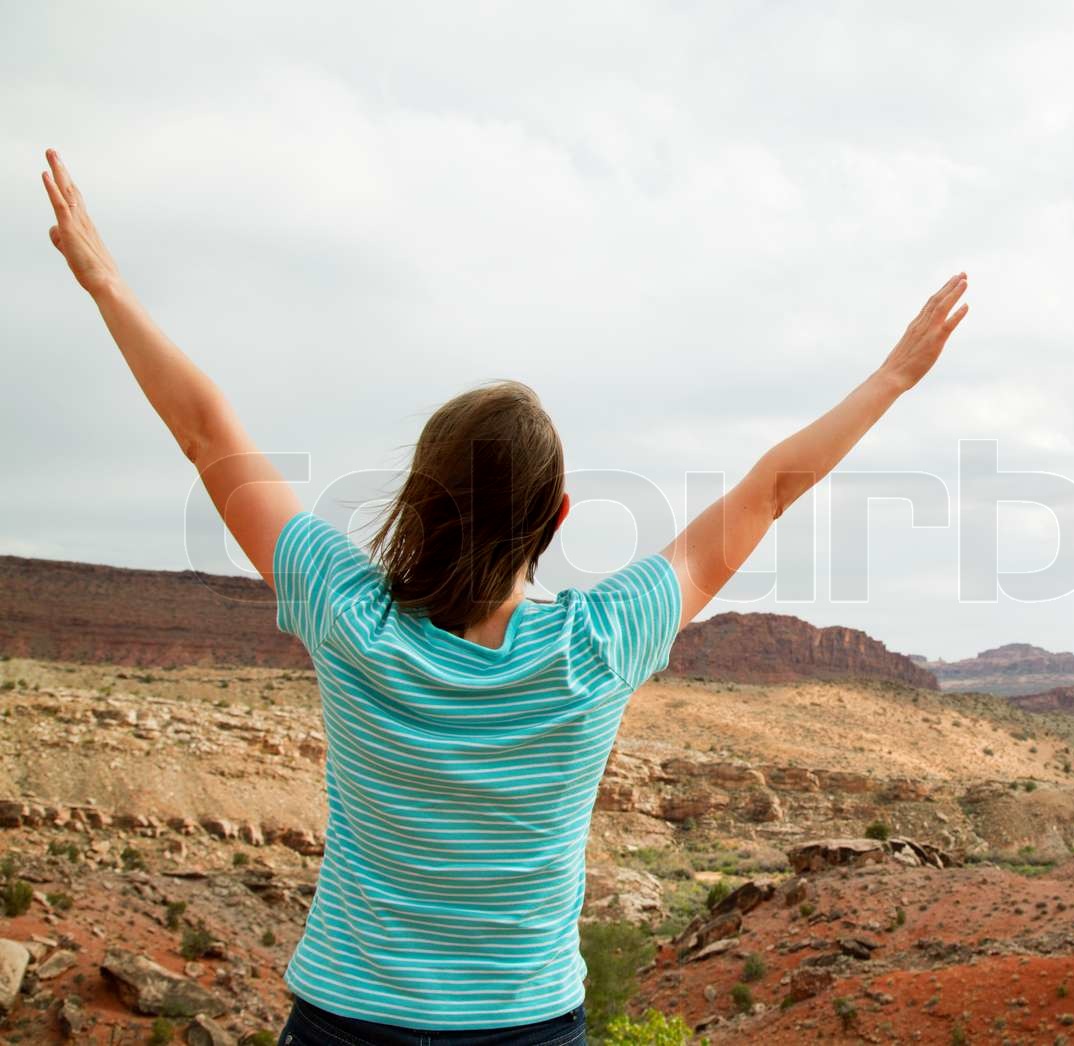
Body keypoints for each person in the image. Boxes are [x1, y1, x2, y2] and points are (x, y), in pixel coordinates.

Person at [39, 147, 970, 1045]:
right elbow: (771, 488)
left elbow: (207, 436)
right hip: (524, 1025)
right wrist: (892, 376)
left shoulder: (348, 615)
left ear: (421, 497)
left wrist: (107, 285)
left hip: (346, 1020)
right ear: (558, 513)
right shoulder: (600, 644)